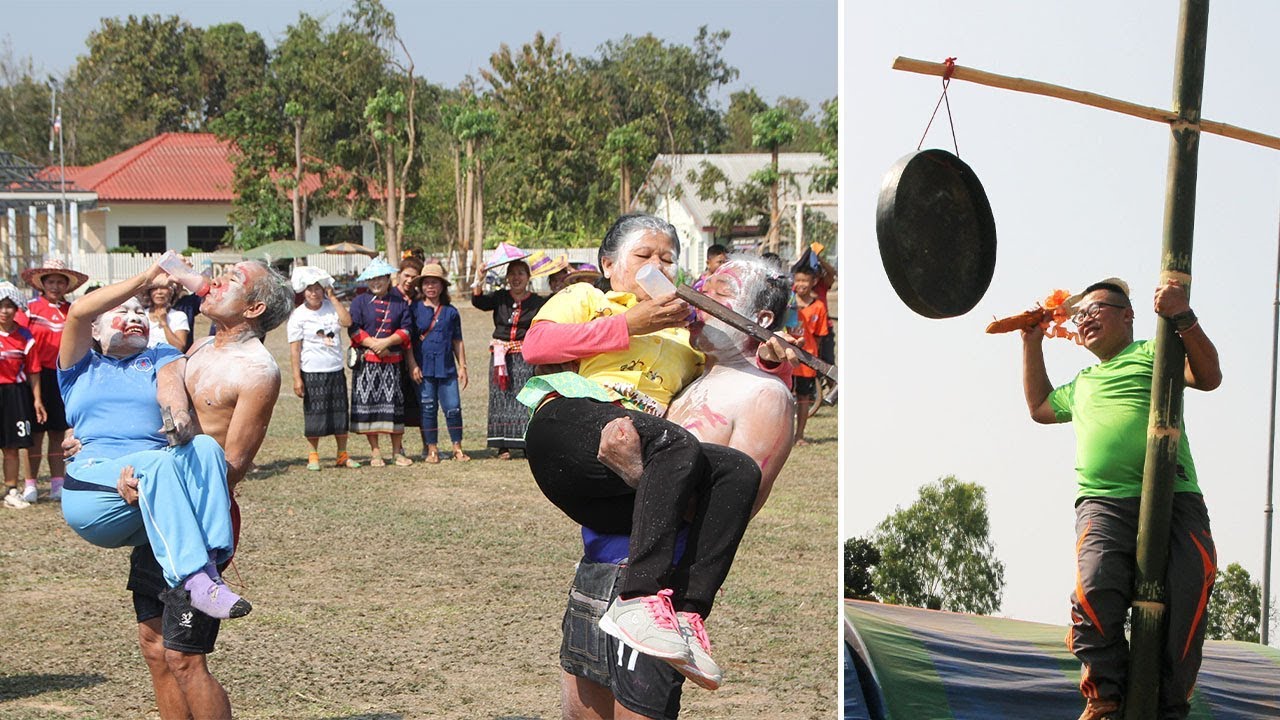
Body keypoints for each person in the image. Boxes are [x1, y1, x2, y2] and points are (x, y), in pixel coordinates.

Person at [520, 213, 767, 690]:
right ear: (609, 265)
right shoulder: (588, 297)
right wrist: (627, 323)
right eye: (644, 255)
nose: (657, 264)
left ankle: (687, 614)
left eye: (668, 259)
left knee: (737, 472)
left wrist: (770, 359)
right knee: (675, 443)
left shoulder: (687, 335)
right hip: (570, 422)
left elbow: (737, 362)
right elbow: (537, 344)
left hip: (644, 445)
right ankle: (639, 597)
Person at [559, 254, 797, 718]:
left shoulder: (766, 396)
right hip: (599, 561)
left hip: (657, 590)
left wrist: (633, 472)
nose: (697, 302)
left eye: (719, 296)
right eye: (698, 290)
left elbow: (726, 512)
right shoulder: (691, 375)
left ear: (761, 319)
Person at [1019, 277, 1221, 720]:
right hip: (1104, 504)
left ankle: (1169, 707)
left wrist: (1182, 317)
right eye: (1079, 315)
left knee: (1189, 594)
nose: (1084, 319)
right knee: (1092, 591)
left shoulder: (1155, 351)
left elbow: (1209, 376)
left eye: (1095, 309)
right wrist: (1032, 343)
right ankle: (1105, 698)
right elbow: (1038, 407)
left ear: (1128, 315)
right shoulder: (1083, 381)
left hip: (1174, 495)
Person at [118, 258, 293, 720]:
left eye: (234, 279)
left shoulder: (257, 370)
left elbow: (231, 464)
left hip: (196, 522)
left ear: (254, 307)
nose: (217, 282)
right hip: (158, 514)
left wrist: (169, 496)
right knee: (154, 648)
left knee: (185, 657)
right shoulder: (196, 349)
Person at [57, 261, 252, 621]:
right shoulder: (78, 367)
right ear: (96, 331)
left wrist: (177, 419)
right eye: (122, 311)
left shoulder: (161, 355)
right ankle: (191, 580)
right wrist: (146, 279)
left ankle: (211, 566)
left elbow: (170, 391)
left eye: (141, 310)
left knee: (206, 448)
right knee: (157, 463)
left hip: (151, 485)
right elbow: (79, 312)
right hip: (95, 490)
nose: (135, 315)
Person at [18, 258, 87, 503]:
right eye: (51, 282)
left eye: (60, 282)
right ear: (42, 284)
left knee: (59, 432)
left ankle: (59, 483)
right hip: (34, 377)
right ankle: (30, 485)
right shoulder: (29, 309)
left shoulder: (72, 311)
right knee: (35, 434)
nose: (56, 286)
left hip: (64, 377)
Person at [471, 258, 546, 459]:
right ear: (507, 277)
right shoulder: (500, 297)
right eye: (512, 273)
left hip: (524, 354)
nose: (516, 278)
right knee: (500, 396)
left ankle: (523, 442)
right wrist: (479, 277)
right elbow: (478, 301)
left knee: (524, 396)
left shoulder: (537, 302)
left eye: (521, 273)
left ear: (528, 277)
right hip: (500, 355)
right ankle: (502, 444)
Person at [287, 266, 359, 471]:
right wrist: (296, 378)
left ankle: (342, 455)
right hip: (311, 370)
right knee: (314, 414)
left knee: (340, 413)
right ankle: (313, 456)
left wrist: (333, 299)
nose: (313, 293)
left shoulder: (331, 307)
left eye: (318, 288)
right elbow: (295, 349)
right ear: (303, 292)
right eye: (309, 289)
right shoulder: (298, 316)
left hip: (335, 369)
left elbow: (347, 322)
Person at [347, 257, 413, 467]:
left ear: (387, 279)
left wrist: (386, 342)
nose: (376, 283)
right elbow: (354, 328)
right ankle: (375, 452)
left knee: (394, 407)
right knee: (369, 407)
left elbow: (406, 329)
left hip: (392, 363)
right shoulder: (358, 302)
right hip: (367, 364)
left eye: (380, 279)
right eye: (372, 279)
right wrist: (373, 344)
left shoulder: (399, 303)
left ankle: (397, 452)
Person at [408, 263, 469, 463]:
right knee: (428, 408)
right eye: (426, 283)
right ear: (421, 286)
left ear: (442, 286)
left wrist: (462, 366)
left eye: (435, 283)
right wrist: (412, 365)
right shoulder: (414, 309)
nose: (430, 287)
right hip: (424, 368)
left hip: (447, 368)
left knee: (453, 408)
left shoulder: (451, 312)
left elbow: (457, 340)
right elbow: (408, 340)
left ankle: (457, 448)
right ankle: (432, 449)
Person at [0, 282, 45, 509]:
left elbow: (33, 371)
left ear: (16, 309)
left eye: (9, 306)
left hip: (15, 396)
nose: (4, 311)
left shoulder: (25, 336)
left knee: (12, 447)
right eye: (0, 306)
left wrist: (37, 400)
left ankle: (11, 490)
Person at [789, 264, 828, 446]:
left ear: (814, 282)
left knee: (803, 398)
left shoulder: (819, 306)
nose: (801, 284)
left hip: (807, 359)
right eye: (798, 280)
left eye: (805, 280)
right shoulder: (789, 303)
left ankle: (799, 435)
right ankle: (784, 435)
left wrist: (813, 358)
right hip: (787, 356)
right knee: (784, 396)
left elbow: (819, 337)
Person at [394, 257, 424, 451]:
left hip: (420, 358)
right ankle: (399, 447)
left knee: (423, 402)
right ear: (399, 275)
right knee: (396, 403)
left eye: (414, 277)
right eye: (406, 276)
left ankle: (427, 445)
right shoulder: (390, 297)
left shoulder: (421, 300)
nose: (409, 281)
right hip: (394, 358)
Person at [142, 280, 191, 349]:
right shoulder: (143, 315)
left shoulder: (179, 316)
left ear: (171, 292)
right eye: (155, 288)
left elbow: (179, 348)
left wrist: (164, 323)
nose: (159, 292)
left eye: (163, 288)